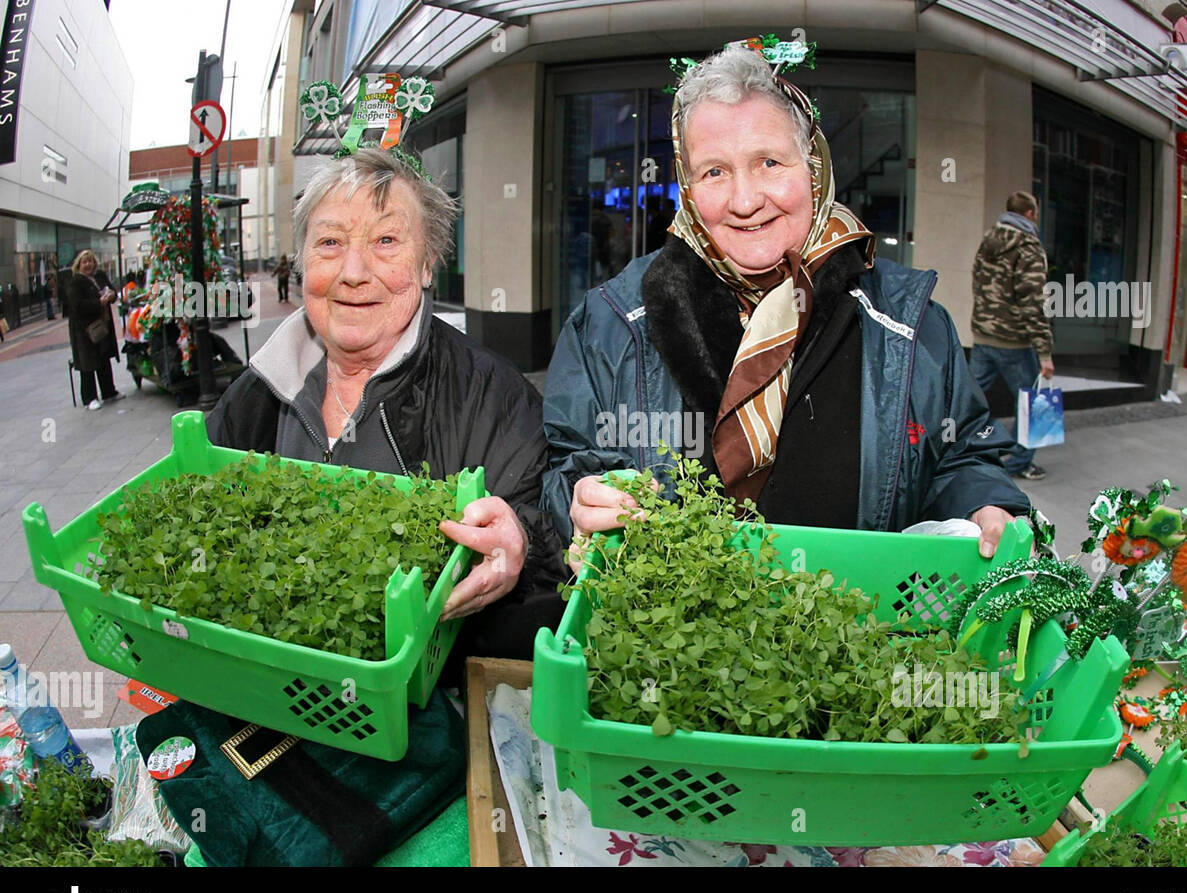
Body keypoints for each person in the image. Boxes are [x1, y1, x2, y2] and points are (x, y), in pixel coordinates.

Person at [543, 46, 1031, 571]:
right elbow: (562, 467)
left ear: (814, 169)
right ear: (687, 187)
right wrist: (576, 501)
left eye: (769, 163)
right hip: (671, 648)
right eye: (714, 172)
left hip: (864, 636)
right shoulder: (612, 322)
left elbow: (959, 456)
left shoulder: (909, 323)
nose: (746, 199)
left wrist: (984, 504)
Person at [206, 147, 563, 641]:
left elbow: (554, 550)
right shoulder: (254, 393)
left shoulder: (495, 398)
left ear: (426, 265)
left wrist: (522, 543)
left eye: (386, 240)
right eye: (329, 242)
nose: (353, 271)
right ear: (301, 263)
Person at [969, 191, 1054, 481]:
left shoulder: (989, 239)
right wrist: (1044, 352)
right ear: (1030, 214)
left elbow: (977, 283)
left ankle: (955, 449)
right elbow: (1033, 303)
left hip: (982, 337)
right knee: (1034, 402)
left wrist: (984, 321)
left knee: (967, 397)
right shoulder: (1029, 247)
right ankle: (1020, 462)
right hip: (1014, 342)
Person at [67, 250, 122, 410]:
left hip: (102, 325)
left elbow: (113, 292)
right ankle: (89, 397)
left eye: (90, 261)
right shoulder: (75, 282)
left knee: (103, 357)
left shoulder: (100, 276)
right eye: (84, 262)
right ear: (79, 265)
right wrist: (99, 303)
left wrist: (111, 296)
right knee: (88, 363)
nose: (88, 264)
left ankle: (109, 391)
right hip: (85, 329)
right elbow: (77, 306)